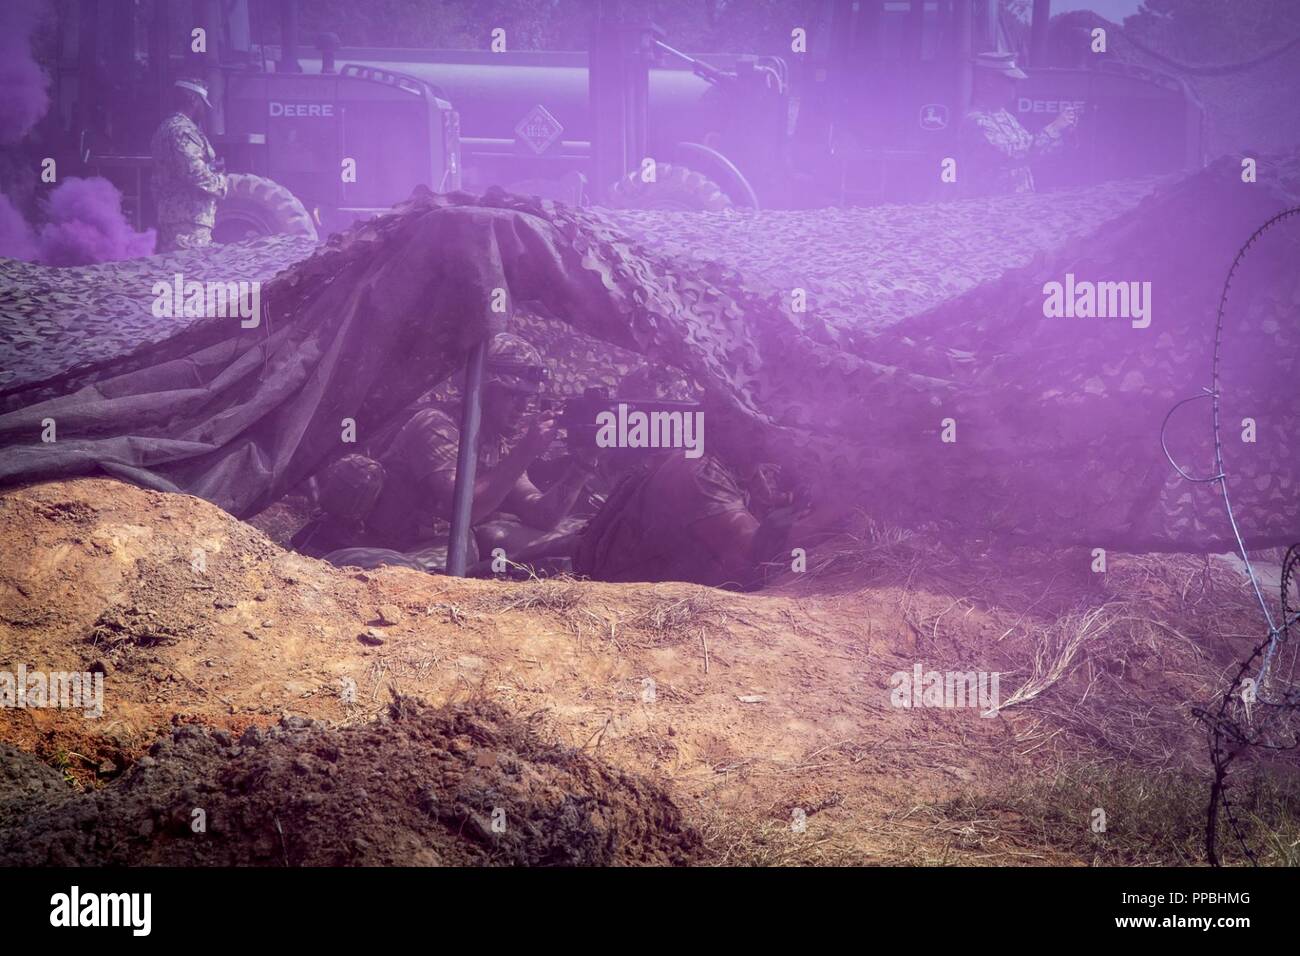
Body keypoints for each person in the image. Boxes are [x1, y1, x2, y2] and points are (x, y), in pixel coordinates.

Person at [302, 333, 594, 570]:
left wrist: (582, 467)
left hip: (438, 547)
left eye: (527, 398)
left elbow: (540, 514)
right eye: (512, 394)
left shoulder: (496, 438)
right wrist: (525, 451)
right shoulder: (436, 424)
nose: (521, 407)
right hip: (385, 549)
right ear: (480, 389)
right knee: (455, 554)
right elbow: (462, 512)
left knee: (548, 538)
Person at [959, 52, 1076, 195]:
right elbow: (1012, 154)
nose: (1015, 87)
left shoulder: (1006, 116)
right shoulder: (976, 120)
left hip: (1016, 207)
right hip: (990, 208)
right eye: (1011, 81)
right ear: (990, 80)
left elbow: (1033, 154)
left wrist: (1062, 135)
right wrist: (1055, 127)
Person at [150, 78, 227, 251]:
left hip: (174, 216)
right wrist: (222, 183)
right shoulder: (183, 130)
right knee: (193, 271)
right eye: (202, 102)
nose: (204, 110)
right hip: (189, 220)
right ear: (193, 99)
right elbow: (193, 172)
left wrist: (211, 168)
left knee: (177, 272)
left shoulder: (165, 128)